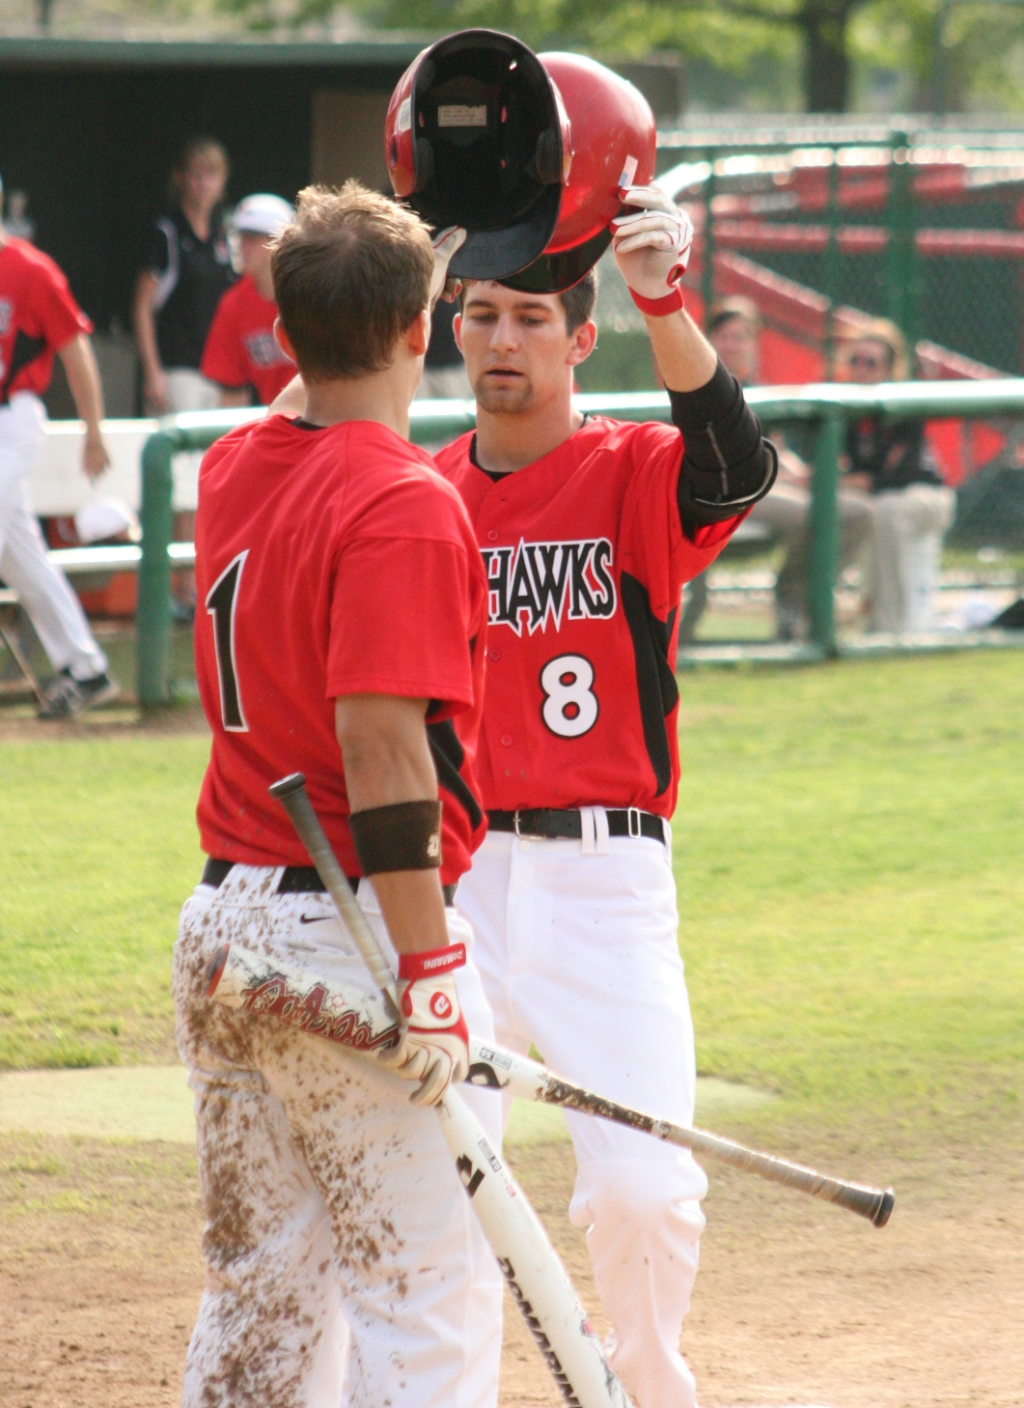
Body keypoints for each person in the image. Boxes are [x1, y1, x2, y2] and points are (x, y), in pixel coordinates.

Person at [433, 183, 777, 1408]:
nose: (503, 341)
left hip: (603, 878)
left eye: (532, 317)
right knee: (433, 1176)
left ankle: (637, 1379)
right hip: (453, 886)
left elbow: (735, 465)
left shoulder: (631, 466)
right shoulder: (422, 494)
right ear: (451, 327)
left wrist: (664, 300)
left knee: (644, 1188)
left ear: (581, 340)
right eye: (479, 315)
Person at [172, 184, 503, 1408]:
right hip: (347, 925)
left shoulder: (234, 462)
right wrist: (427, 973)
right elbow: (381, 752)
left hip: (222, 923)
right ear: (425, 329)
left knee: (261, 1282)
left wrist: (366, 275)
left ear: (282, 324)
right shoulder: (409, 499)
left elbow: (305, 395)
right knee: (422, 1286)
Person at [682, 297, 871, 642]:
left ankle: (799, 594)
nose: (732, 344)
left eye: (741, 336)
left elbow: (779, 451)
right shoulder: (692, 383)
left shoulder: (759, 391)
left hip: (769, 488)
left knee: (858, 512)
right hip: (721, 493)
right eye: (724, 335)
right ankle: (791, 595)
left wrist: (803, 473)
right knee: (814, 514)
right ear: (707, 339)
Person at [0, 170, 118, 719]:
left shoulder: (30, 270)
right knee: (21, 559)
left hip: (13, 416)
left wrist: (93, 431)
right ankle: (86, 667)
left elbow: (75, 351)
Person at [841, 319, 955, 632]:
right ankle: (829, 612)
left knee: (885, 510)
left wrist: (853, 480)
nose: (861, 369)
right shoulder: (848, 411)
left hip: (927, 497)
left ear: (889, 369)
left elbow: (888, 478)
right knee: (855, 507)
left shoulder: (902, 408)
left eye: (871, 363)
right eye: (855, 360)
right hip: (885, 498)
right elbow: (853, 474)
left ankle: (886, 628)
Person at [133, 136, 235, 416]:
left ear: (223, 181)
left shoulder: (225, 241)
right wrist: (153, 372)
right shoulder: (166, 233)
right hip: (176, 374)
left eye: (212, 174)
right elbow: (142, 307)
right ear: (180, 178)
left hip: (219, 379)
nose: (203, 182)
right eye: (196, 173)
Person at [201, 194, 298, 407]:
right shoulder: (233, 305)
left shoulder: (315, 293)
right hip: (277, 419)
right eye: (240, 237)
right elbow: (231, 391)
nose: (242, 246)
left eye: (252, 238)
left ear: (281, 241)